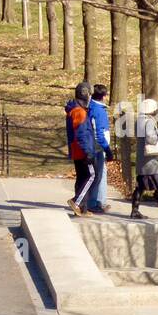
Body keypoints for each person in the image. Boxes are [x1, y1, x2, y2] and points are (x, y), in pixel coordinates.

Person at [131, 97, 158, 219]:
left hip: (141, 158)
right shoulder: (149, 121)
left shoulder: (138, 120)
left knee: (140, 187)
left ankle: (134, 210)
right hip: (150, 160)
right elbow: (151, 138)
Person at [77, 83, 113, 214]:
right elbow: (100, 133)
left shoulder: (92, 107)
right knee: (99, 175)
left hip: (95, 146)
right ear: (104, 96)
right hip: (98, 147)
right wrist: (107, 149)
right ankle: (96, 202)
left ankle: (98, 200)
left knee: (99, 174)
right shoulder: (99, 111)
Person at [64, 82, 96, 215]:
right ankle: (76, 201)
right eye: (89, 94)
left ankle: (82, 208)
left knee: (82, 178)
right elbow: (82, 133)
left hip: (78, 150)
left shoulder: (76, 110)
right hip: (82, 151)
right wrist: (88, 152)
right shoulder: (79, 112)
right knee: (91, 175)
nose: (90, 98)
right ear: (85, 94)